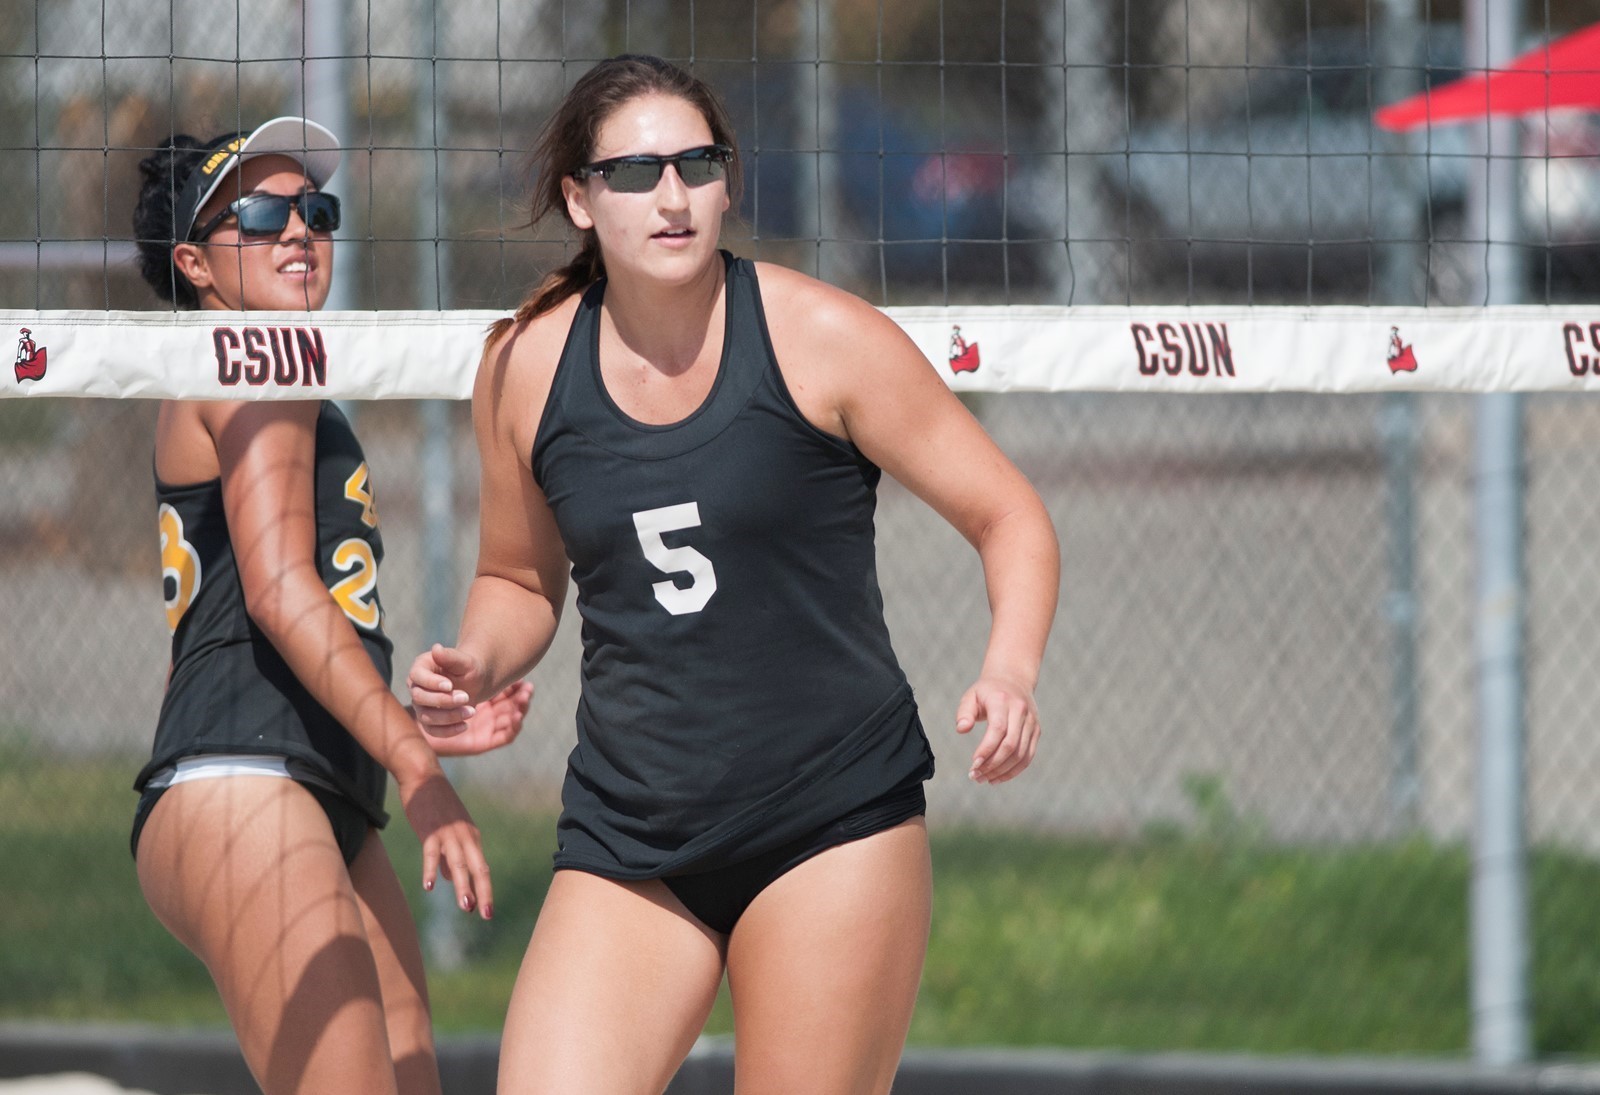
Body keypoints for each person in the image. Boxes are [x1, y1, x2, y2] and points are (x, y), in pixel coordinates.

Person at [408, 55, 1059, 1095]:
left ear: (729, 182)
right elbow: (519, 580)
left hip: (828, 825)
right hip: (633, 835)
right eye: (634, 172)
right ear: (579, 199)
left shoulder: (823, 339)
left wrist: (1011, 669)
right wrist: (473, 662)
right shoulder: (525, 364)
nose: (671, 196)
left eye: (695, 164)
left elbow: (1008, 514)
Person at [129, 116, 533, 1095]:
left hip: (313, 787)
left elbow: (234, 622)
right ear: (196, 263)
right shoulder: (249, 358)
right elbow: (275, 593)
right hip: (245, 781)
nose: (299, 229)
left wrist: (398, 725)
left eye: (317, 210)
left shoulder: (289, 374)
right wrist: (415, 763)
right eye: (261, 215)